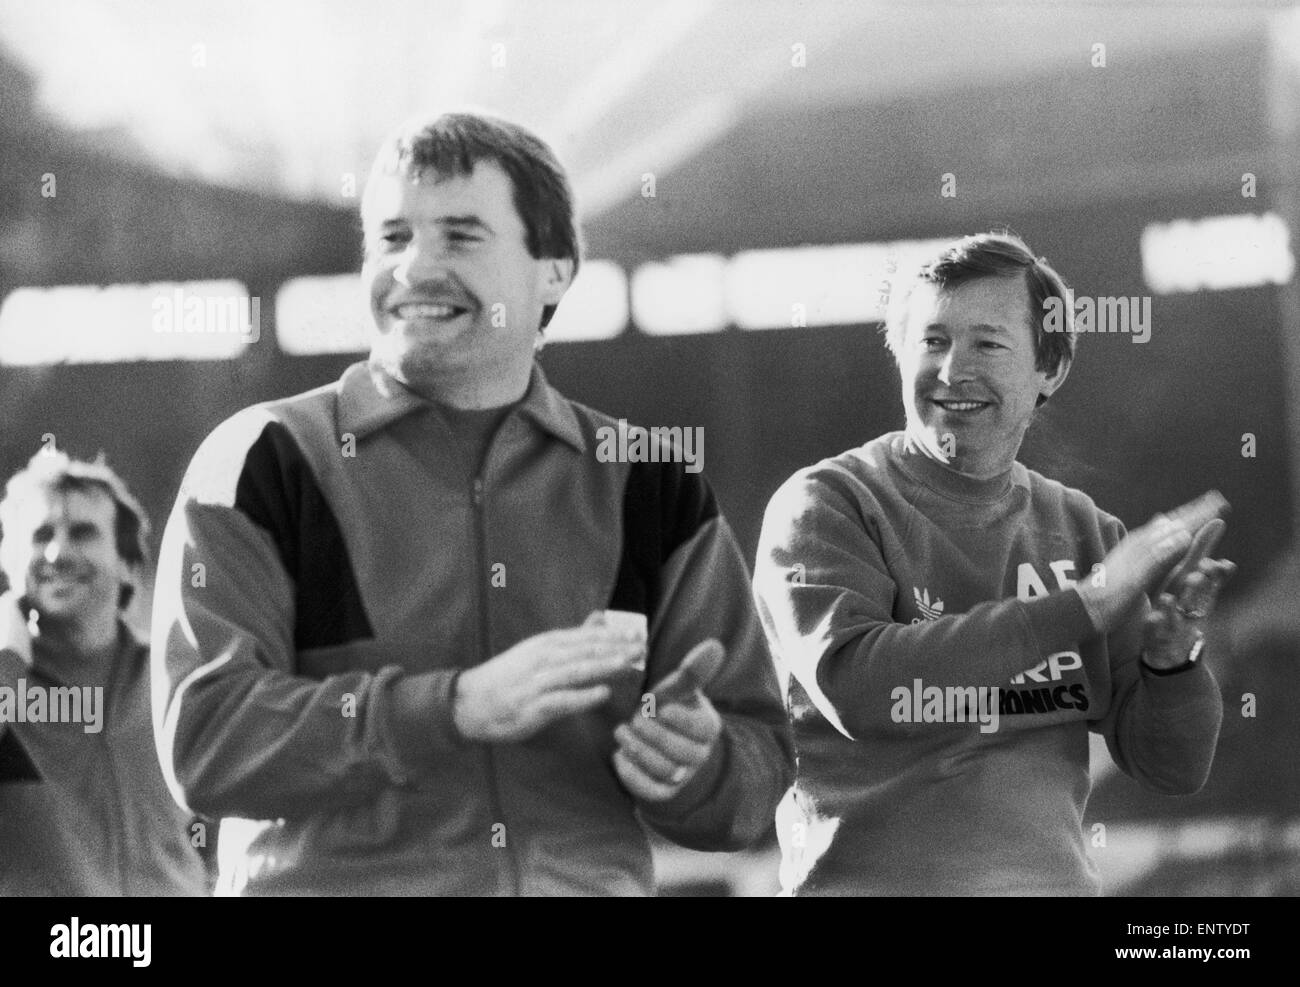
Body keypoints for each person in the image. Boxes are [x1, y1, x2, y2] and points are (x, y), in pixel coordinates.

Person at [151, 111, 792, 896]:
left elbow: (757, 773)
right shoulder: (263, 459)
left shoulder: (651, 479)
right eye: (391, 237)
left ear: (553, 270)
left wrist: (701, 765)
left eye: (460, 235)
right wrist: (452, 708)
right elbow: (207, 740)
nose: (415, 267)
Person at [752, 232, 1234, 896]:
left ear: (1050, 369)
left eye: (988, 343)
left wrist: (1173, 662)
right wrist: (1085, 605)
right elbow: (861, 689)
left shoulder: (1085, 531)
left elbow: (1171, 765)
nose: (953, 370)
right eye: (933, 341)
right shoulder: (827, 505)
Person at [0, 451, 208, 895]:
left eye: (83, 533)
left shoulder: (176, 676)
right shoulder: (7, 686)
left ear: (129, 565)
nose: (57, 552)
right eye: (39, 536)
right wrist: (6, 653)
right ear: (11, 565)